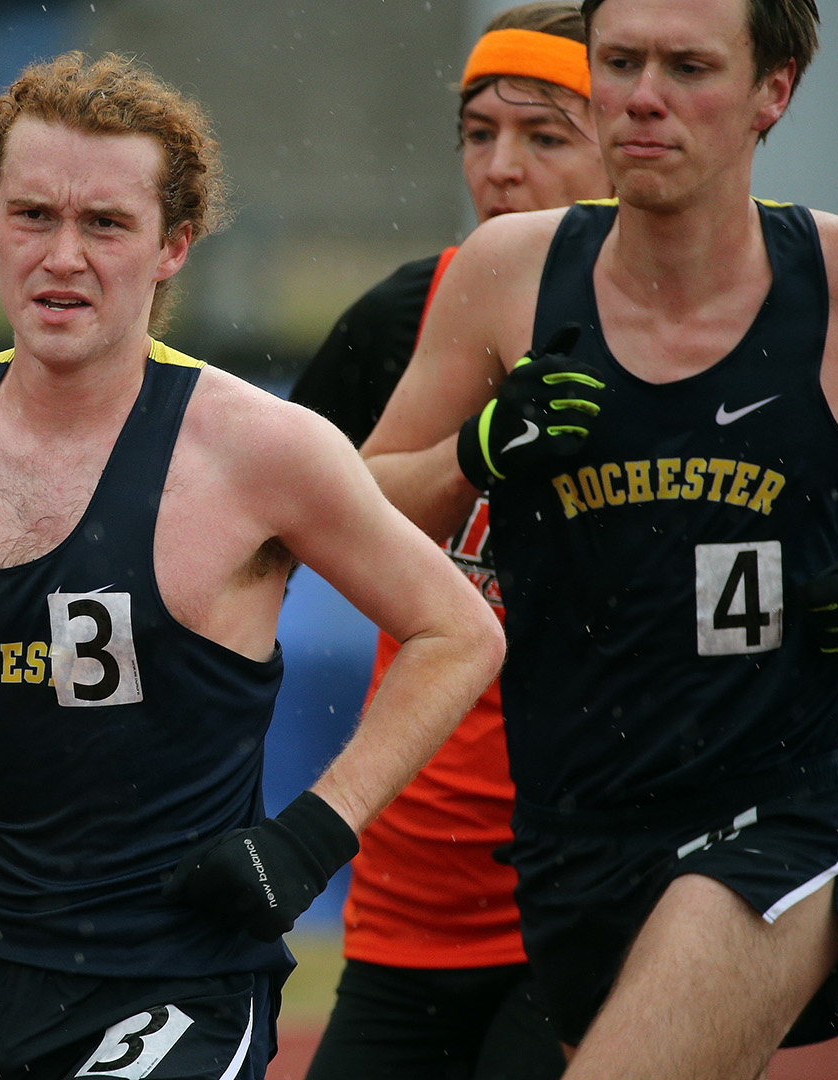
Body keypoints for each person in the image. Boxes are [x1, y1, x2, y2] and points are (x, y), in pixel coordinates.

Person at [0, 51, 504, 1080]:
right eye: (33, 216)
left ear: (173, 245)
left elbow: (459, 632)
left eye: (105, 224)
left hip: (175, 982)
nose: (63, 257)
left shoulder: (260, 449)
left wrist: (314, 835)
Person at [360, 0, 838, 1076]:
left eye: (689, 67)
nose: (644, 97)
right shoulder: (508, 271)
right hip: (569, 823)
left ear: (772, 91)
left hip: (771, 811)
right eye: (620, 62)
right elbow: (357, 511)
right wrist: (476, 450)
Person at [289, 6, 606, 1080]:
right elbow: (282, 528)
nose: (500, 167)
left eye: (545, 135)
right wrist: (471, 451)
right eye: (478, 133)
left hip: (591, 879)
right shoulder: (406, 313)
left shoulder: (696, 332)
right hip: (408, 884)